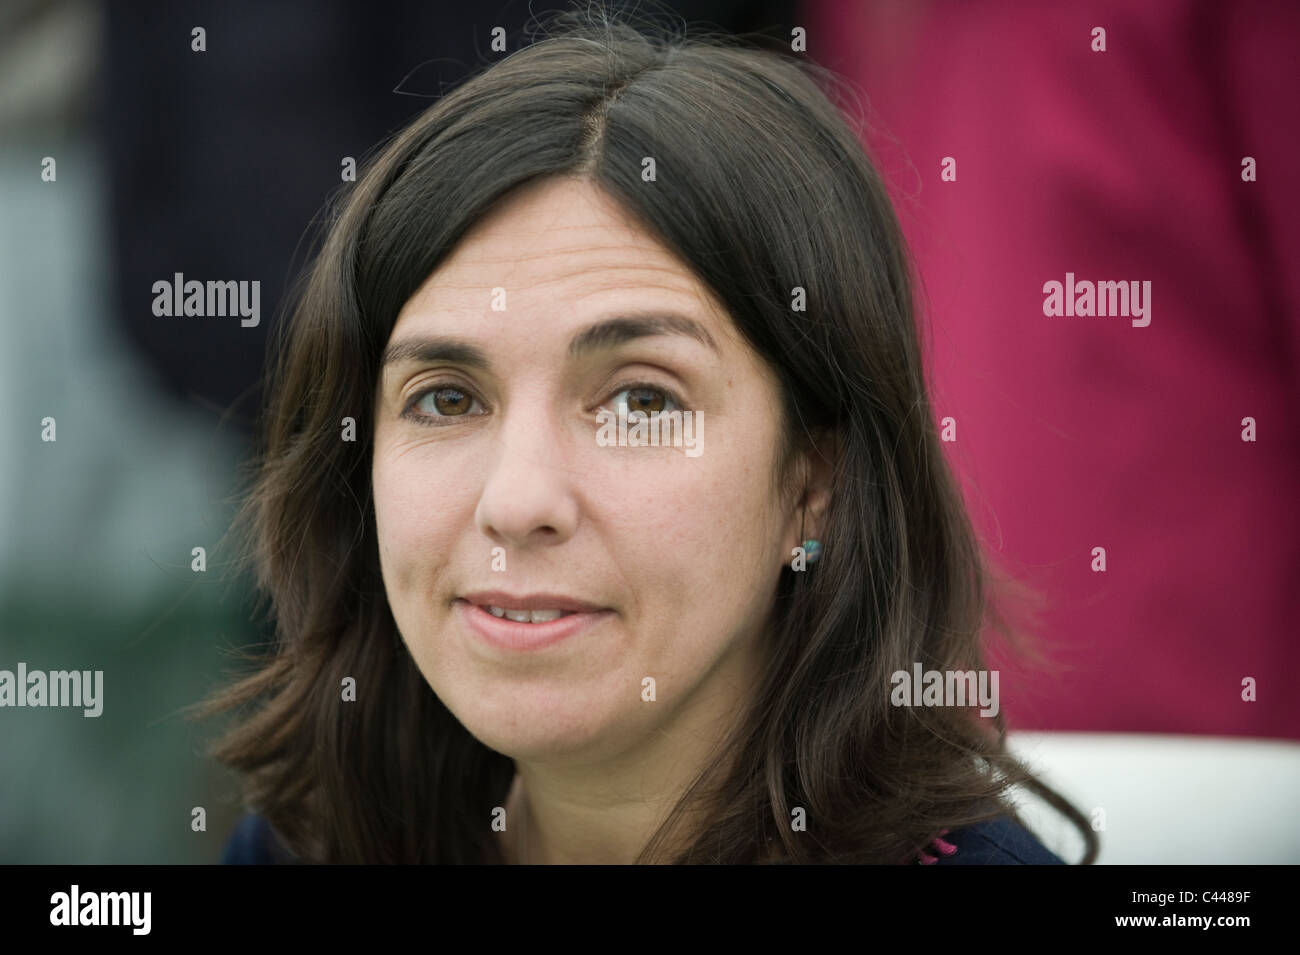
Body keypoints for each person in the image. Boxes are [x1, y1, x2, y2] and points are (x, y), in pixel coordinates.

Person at [196, 5, 1096, 865]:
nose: (518, 502)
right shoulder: (304, 845)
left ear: (813, 481)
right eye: (446, 399)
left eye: (641, 402)